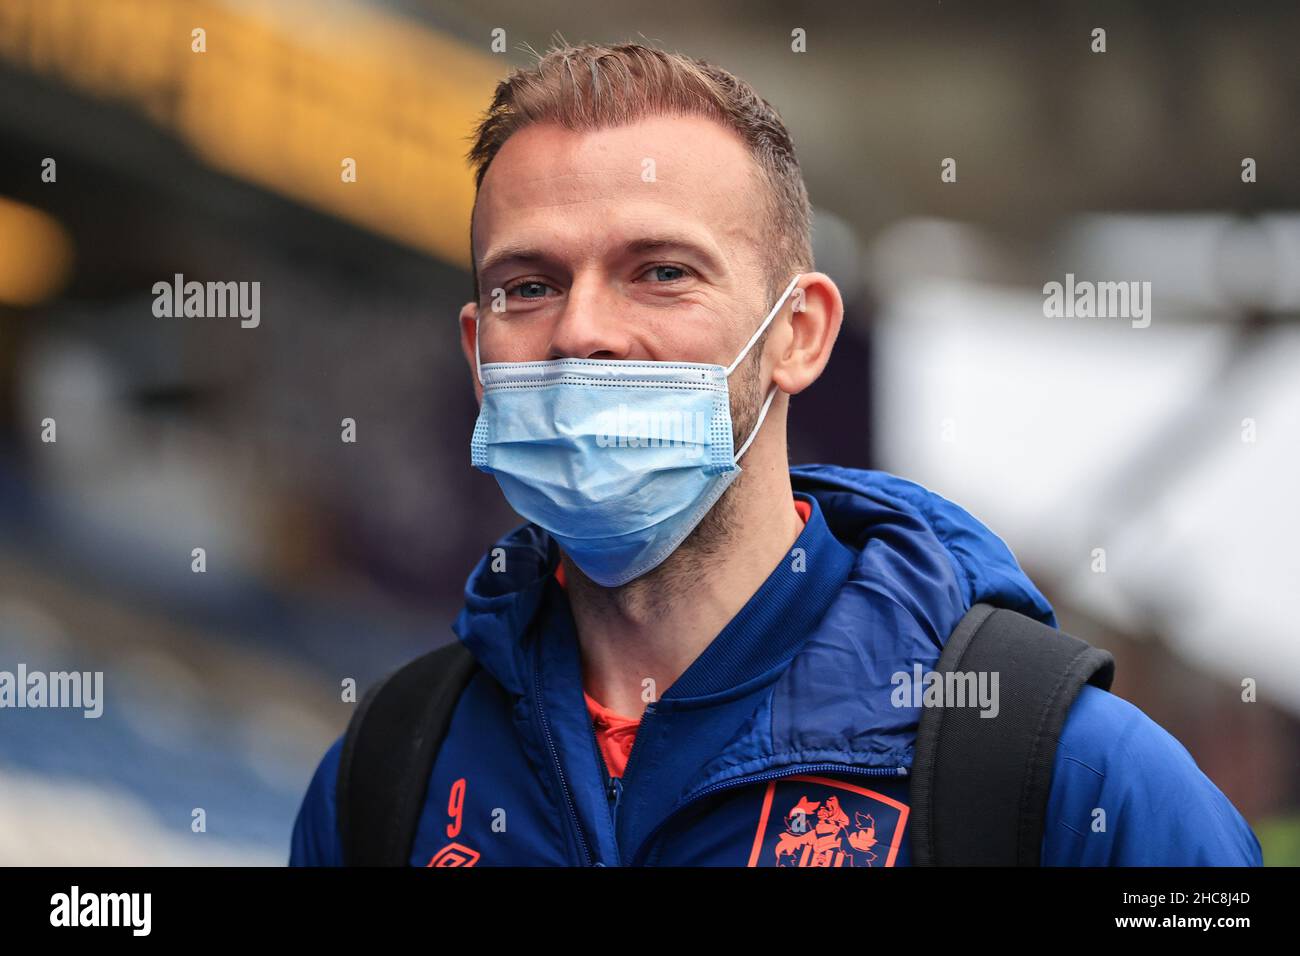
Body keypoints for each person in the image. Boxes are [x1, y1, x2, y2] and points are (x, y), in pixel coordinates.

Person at [290, 41, 1262, 867]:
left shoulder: (1058, 774)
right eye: (529, 285)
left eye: (660, 273)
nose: (582, 328)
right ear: (476, 352)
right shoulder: (390, 771)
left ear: (798, 333)